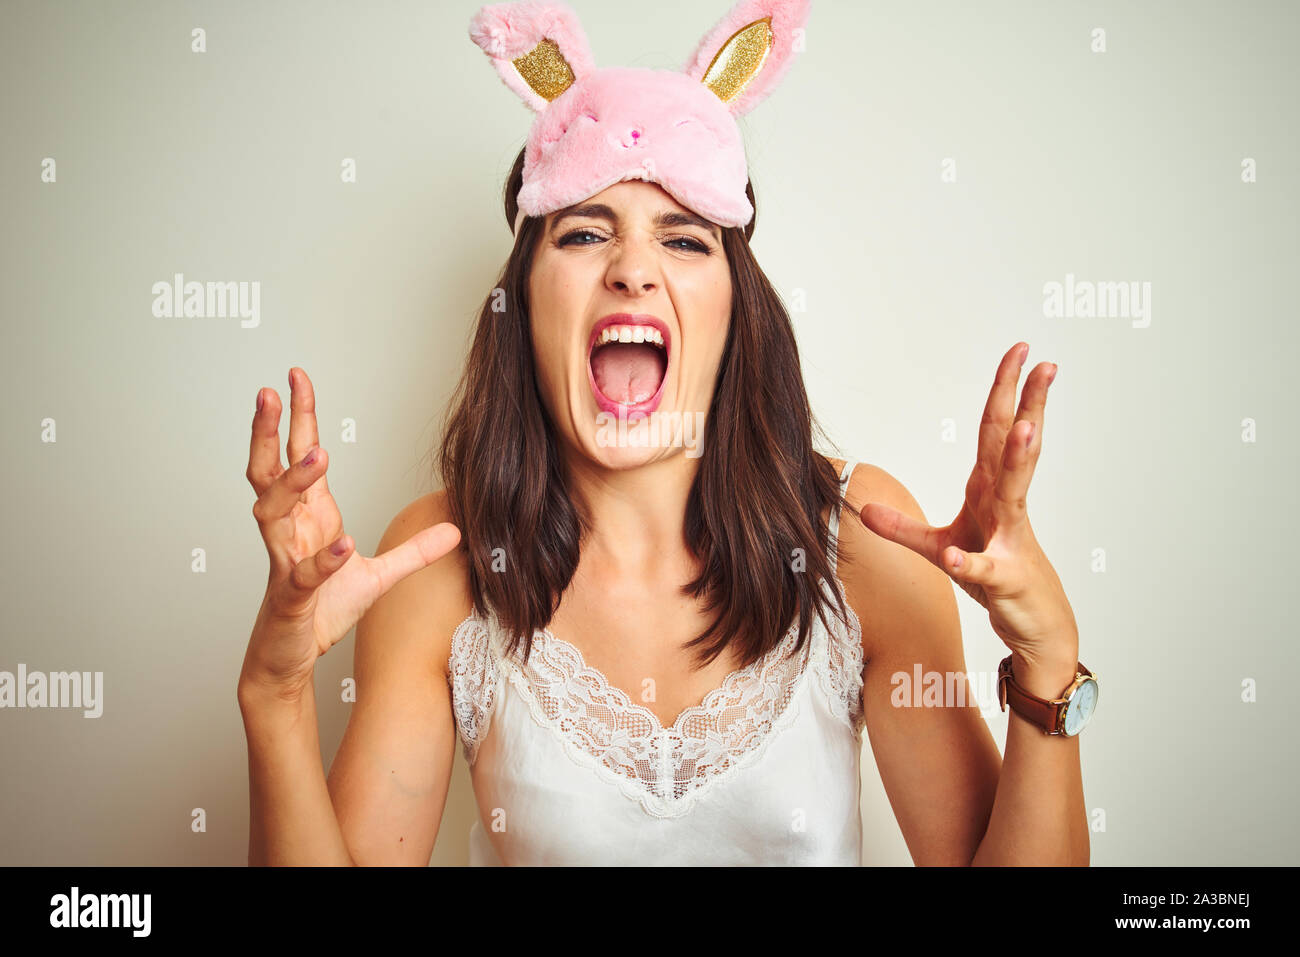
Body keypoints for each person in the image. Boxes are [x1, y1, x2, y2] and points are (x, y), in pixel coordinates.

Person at [238, 0, 1092, 866]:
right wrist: (276, 695)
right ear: (523, 302)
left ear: (734, 310)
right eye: (583, 232)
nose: (633, 269)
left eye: (684, 240)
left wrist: (1049, 661)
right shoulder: (438, 560)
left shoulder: (860, 539)